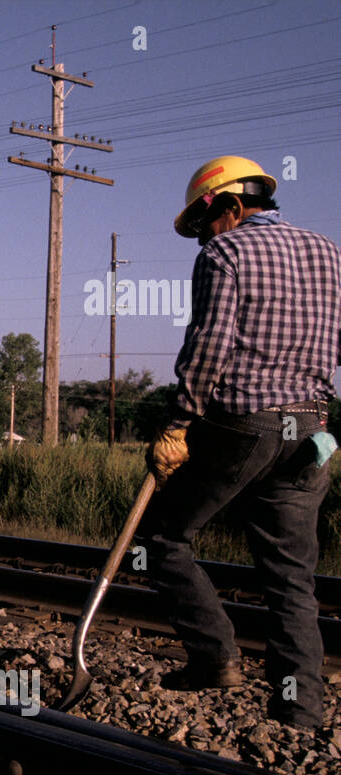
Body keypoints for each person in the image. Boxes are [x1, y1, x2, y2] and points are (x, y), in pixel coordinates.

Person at [140, 155, 341, 729]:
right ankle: (299, 715)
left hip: (243, 423)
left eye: (205, 222)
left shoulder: (223, 254)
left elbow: (209, 348)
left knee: (162, 538)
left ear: (230, 206)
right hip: (310, 428)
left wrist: (179, 423)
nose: (202, 237)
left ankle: (214, 658)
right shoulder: (329, 252)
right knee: (291, 577)